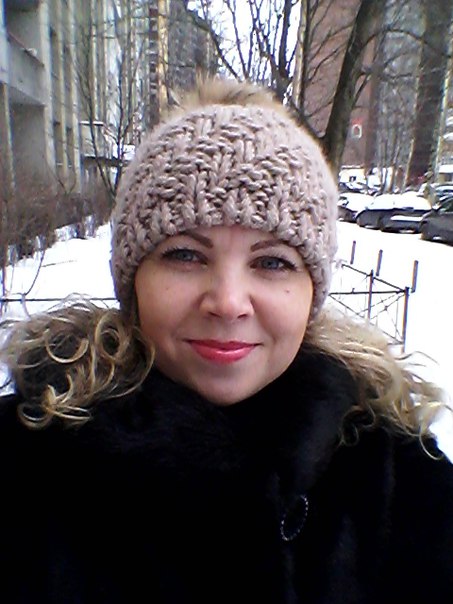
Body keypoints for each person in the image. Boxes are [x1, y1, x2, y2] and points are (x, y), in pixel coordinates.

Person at [1, 77, 453, 604]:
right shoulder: (26, 465)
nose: (229, 301)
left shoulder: (399, 480)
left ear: (312, 292)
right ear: (133, 281)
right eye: (185, 255)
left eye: (272, 262)